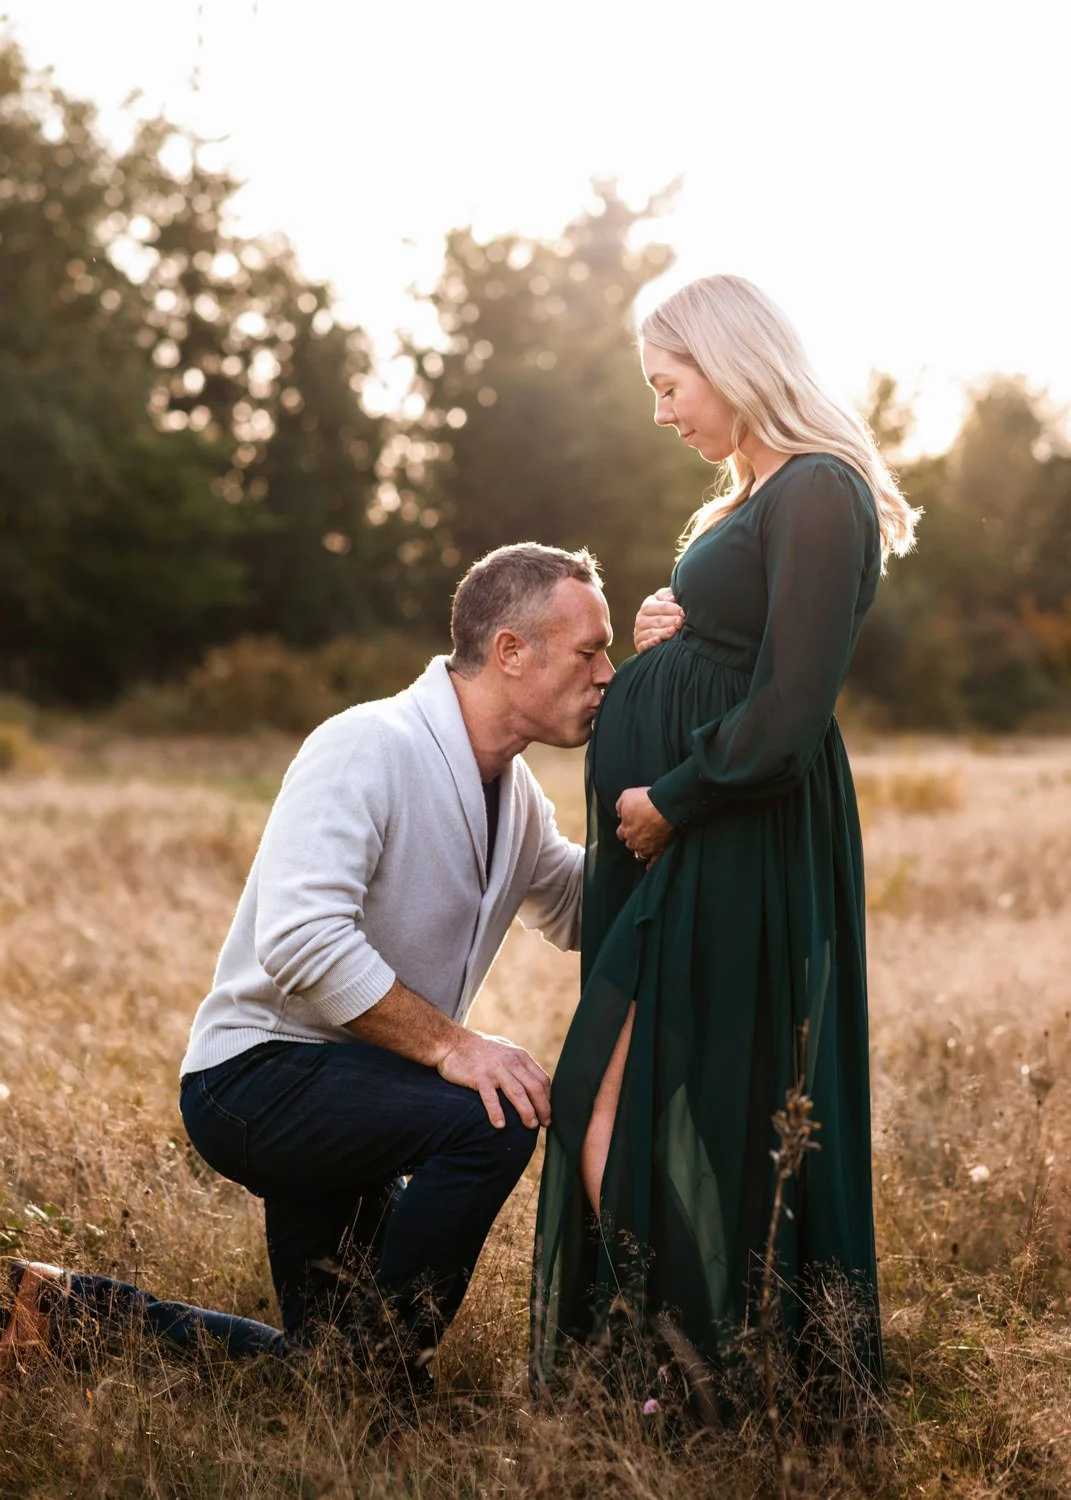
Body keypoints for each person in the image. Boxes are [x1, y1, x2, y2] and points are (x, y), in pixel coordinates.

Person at [2, 543, 613, 1393]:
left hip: (350, 1094)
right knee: (492, 1116)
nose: (607, 673)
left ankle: (55, 1307)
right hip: (255, 1082)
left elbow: (588, 908)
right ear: (511, 652)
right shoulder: (368, 742)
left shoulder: (517, 802)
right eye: (591, 651)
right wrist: (454, 1048)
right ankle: (387, 1377)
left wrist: (679, 812)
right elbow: (300, 939)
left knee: (322, 1372)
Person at [531, 274, 920, 1407]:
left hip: (731, 829)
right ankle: (691, 1356)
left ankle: (696, 1366)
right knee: (648, 1085)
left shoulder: (819, 489)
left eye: (669, 384)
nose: (661, 413)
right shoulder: (758, 493)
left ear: (732, 359)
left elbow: (793, 706)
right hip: (694, 832)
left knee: (654, 1085)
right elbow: (742, 643)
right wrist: (666, 623)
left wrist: (675, 797)